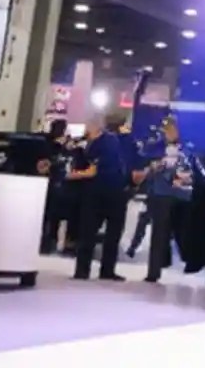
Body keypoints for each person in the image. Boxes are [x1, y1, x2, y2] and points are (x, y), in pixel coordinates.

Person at [128, 116, 193, 282]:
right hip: (160, 194)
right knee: (158, 233)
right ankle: (154, 270)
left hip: (178, 195)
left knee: (175, 232)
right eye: (166, 130)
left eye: (170, 129)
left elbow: (187, 170)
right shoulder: (157, 147)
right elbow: (145, 159)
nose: (167, 133)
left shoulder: (184, 149)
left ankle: (173, 260)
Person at [71, 114, 132, 282]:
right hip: (100, 191)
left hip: (109, 191)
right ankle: (90, 270)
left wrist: (73, 175)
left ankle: (96, 270)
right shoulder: (90, 143)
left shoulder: (106, 142)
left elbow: (93, 170)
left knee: (104, 232)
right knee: (91, 231)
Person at [38, 119, 73, 255]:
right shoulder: (52, 146)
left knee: (51, 216)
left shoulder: (54, 145)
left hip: (55, 183)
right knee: (51, 215)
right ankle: (47, 242)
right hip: (53, 183)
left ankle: (48, 242)